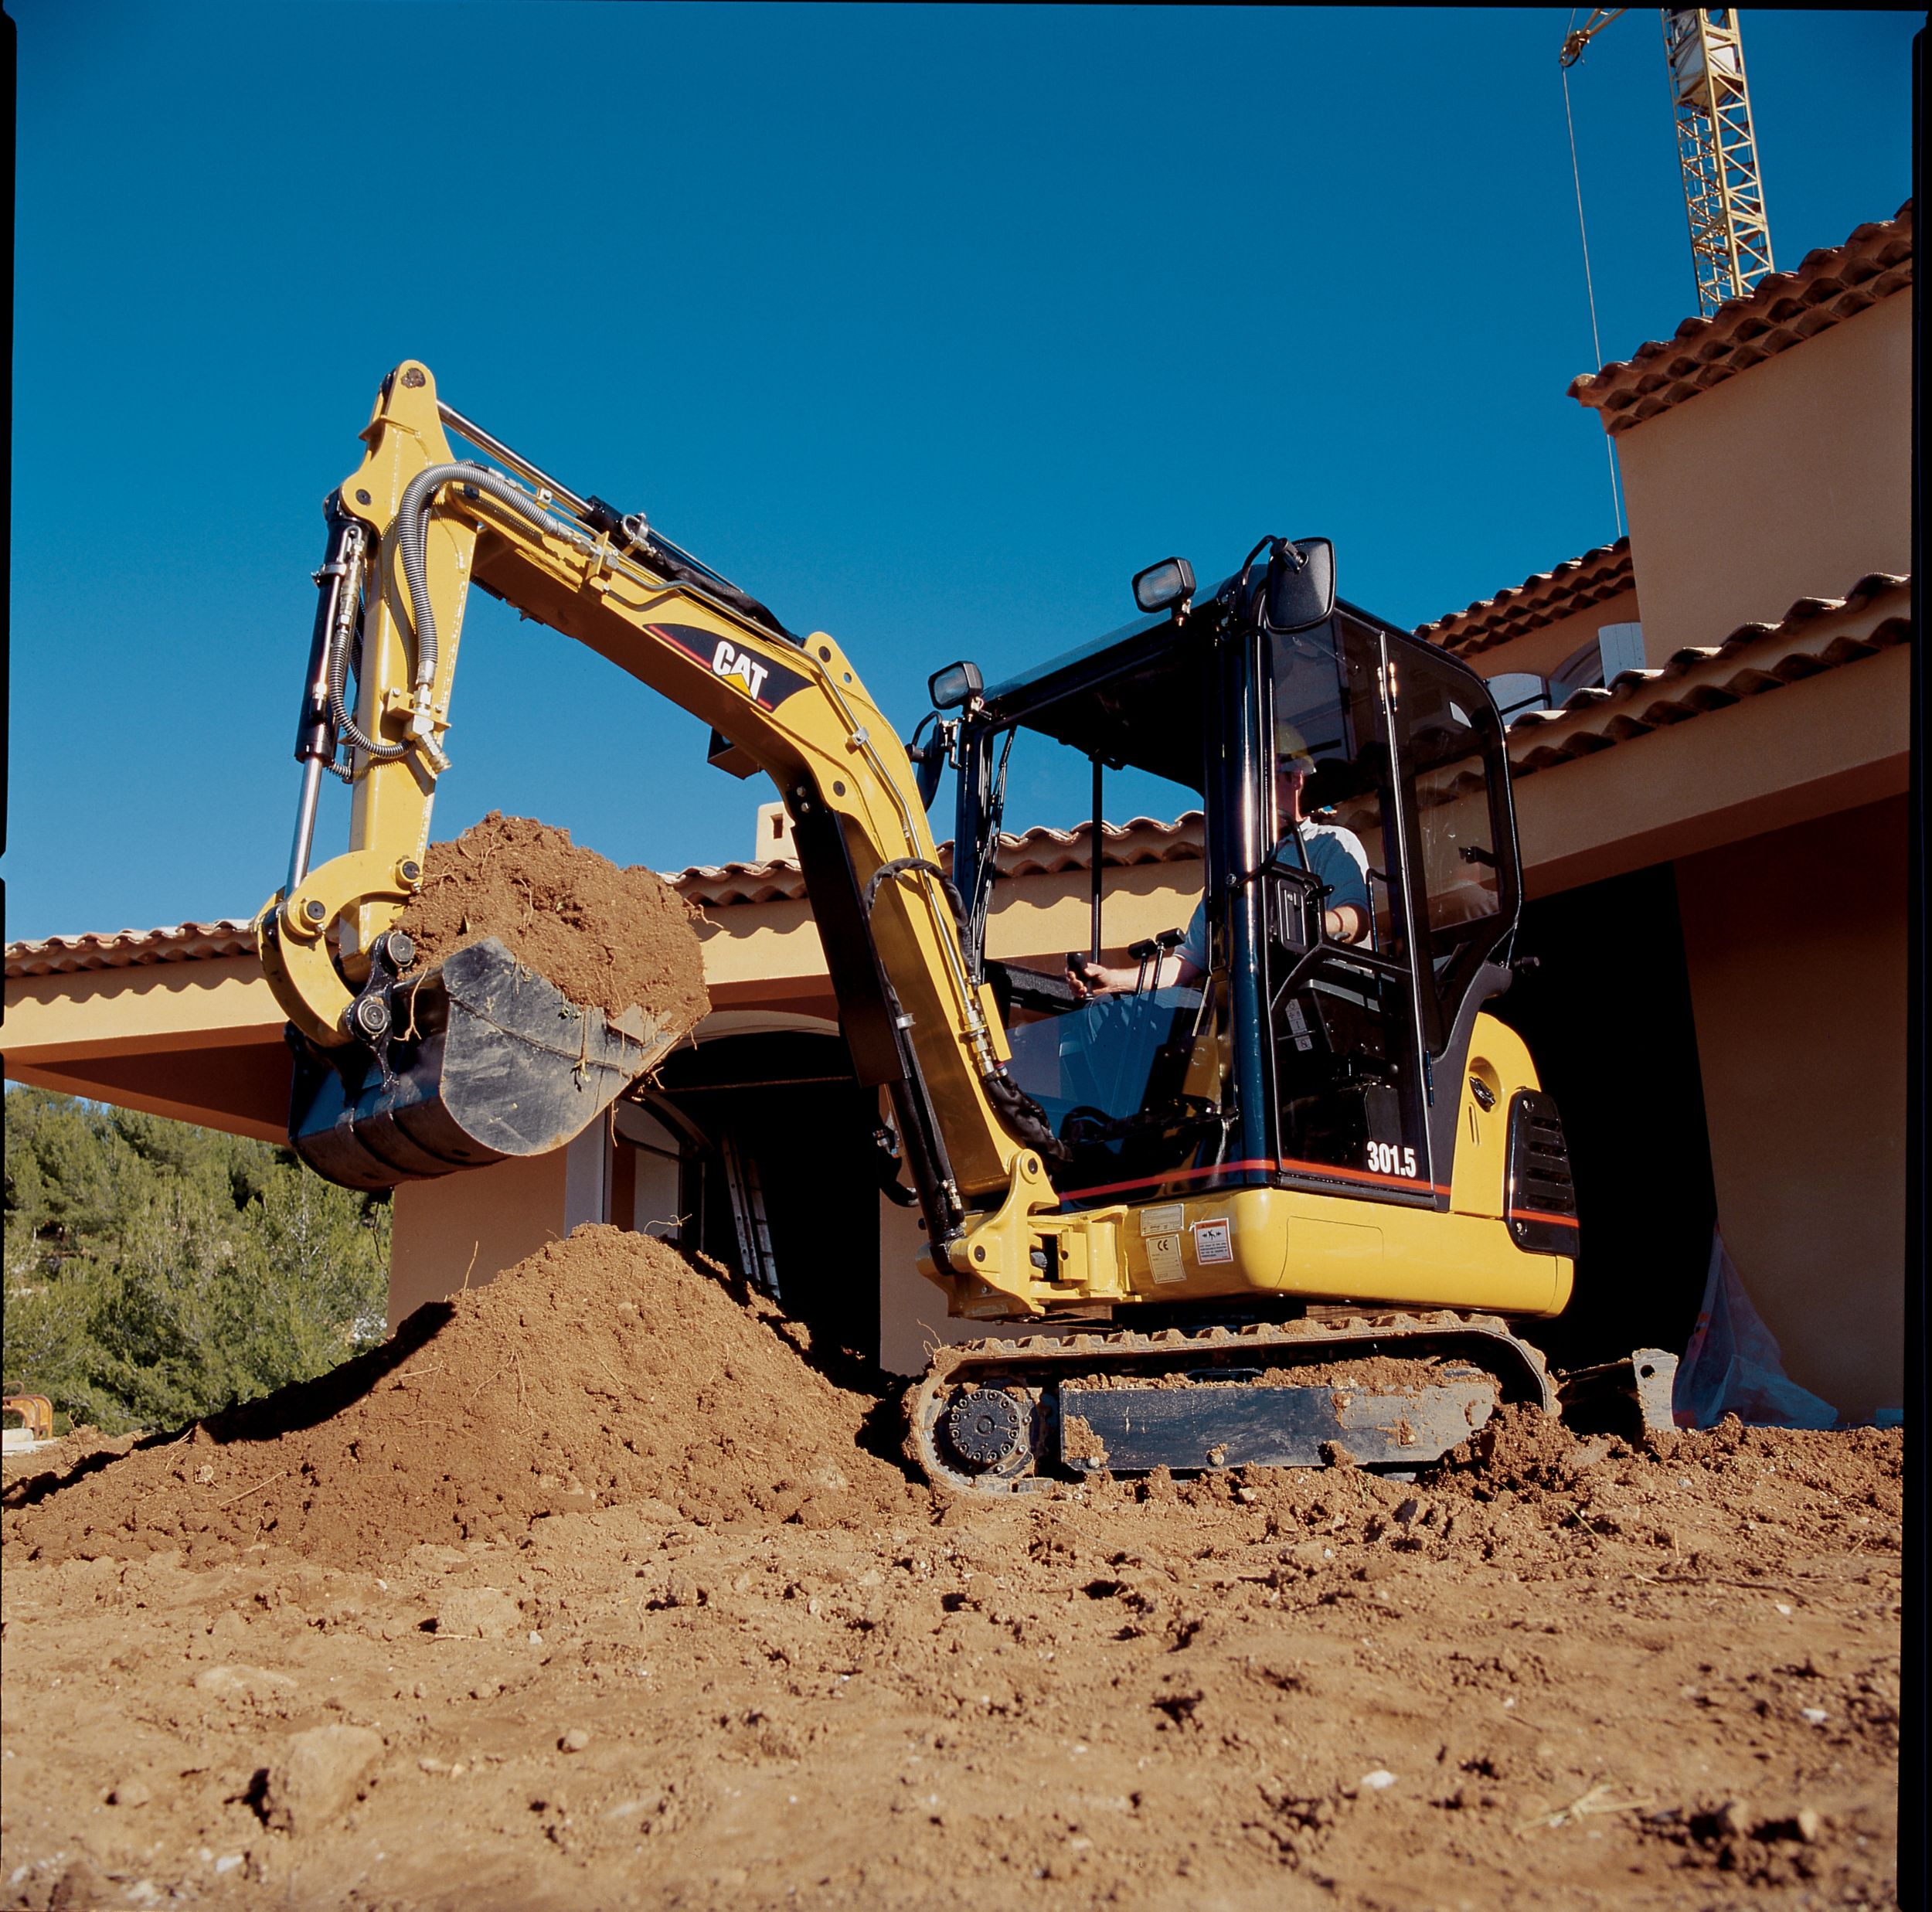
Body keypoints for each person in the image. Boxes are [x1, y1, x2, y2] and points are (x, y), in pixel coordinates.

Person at [1067, 740, 1370, 999]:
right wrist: (1113, 979)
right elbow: (1186, 962)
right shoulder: (1234, 870)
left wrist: (1294, 922)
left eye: (1264, 777)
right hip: (1246, 1010)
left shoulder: (1330, 843)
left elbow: (1357, 919)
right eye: (1246, 781)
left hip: (1318, 1000)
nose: (1252, 791)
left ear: (1296, 778)